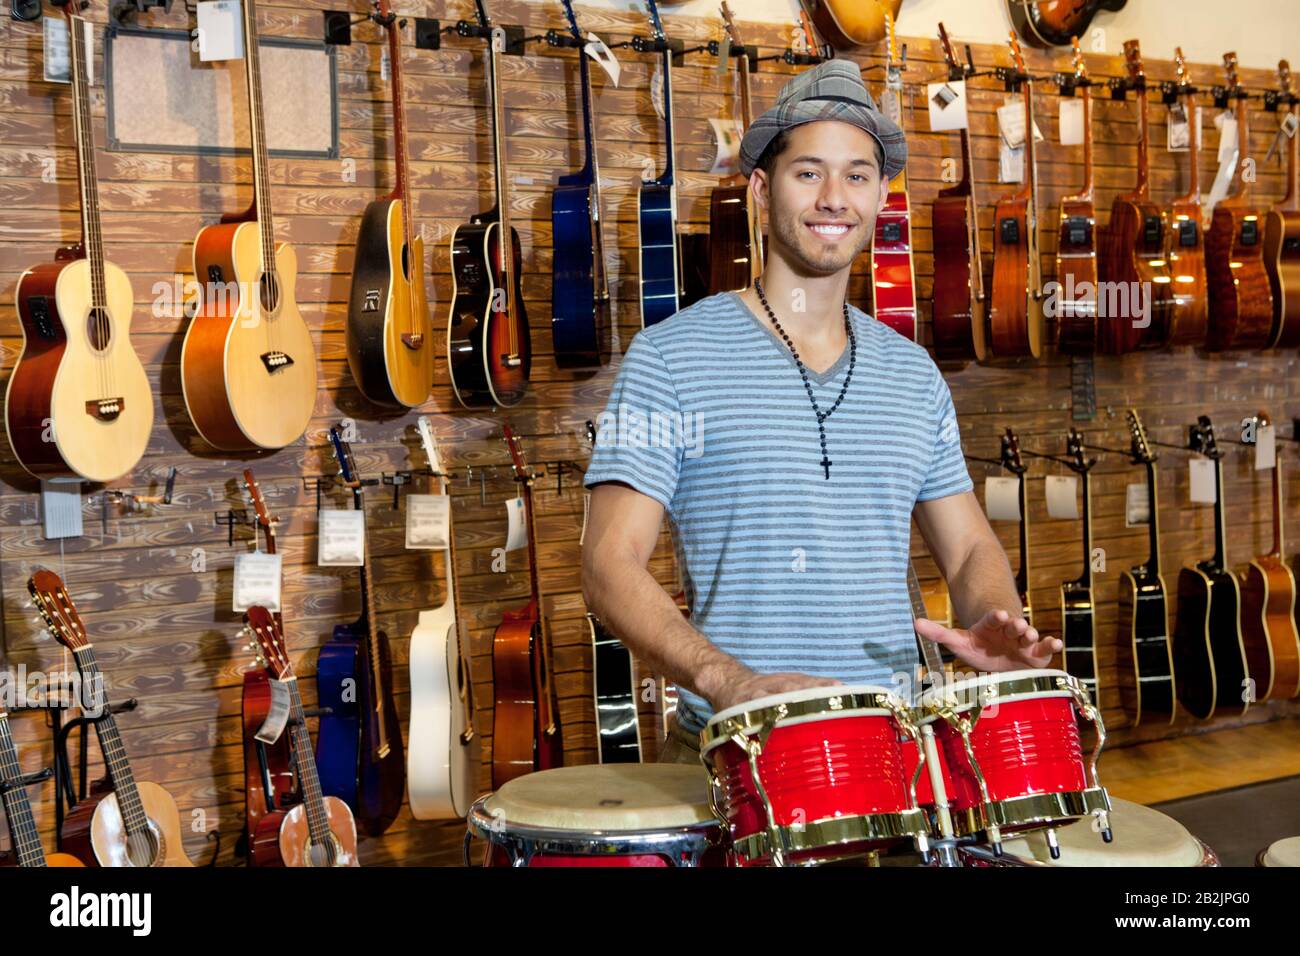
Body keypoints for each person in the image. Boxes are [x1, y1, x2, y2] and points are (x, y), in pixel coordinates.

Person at [581, 59, 1061, 765]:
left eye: (858, 175)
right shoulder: (668, 359)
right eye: (808, 172)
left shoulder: (913, 374)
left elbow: (967, 549)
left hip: (894, 751)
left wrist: (996, 619)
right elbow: (606, 563)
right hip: (737, 754)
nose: (835, 197)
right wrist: (723, 677)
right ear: (759, 189)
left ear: (879, 196)